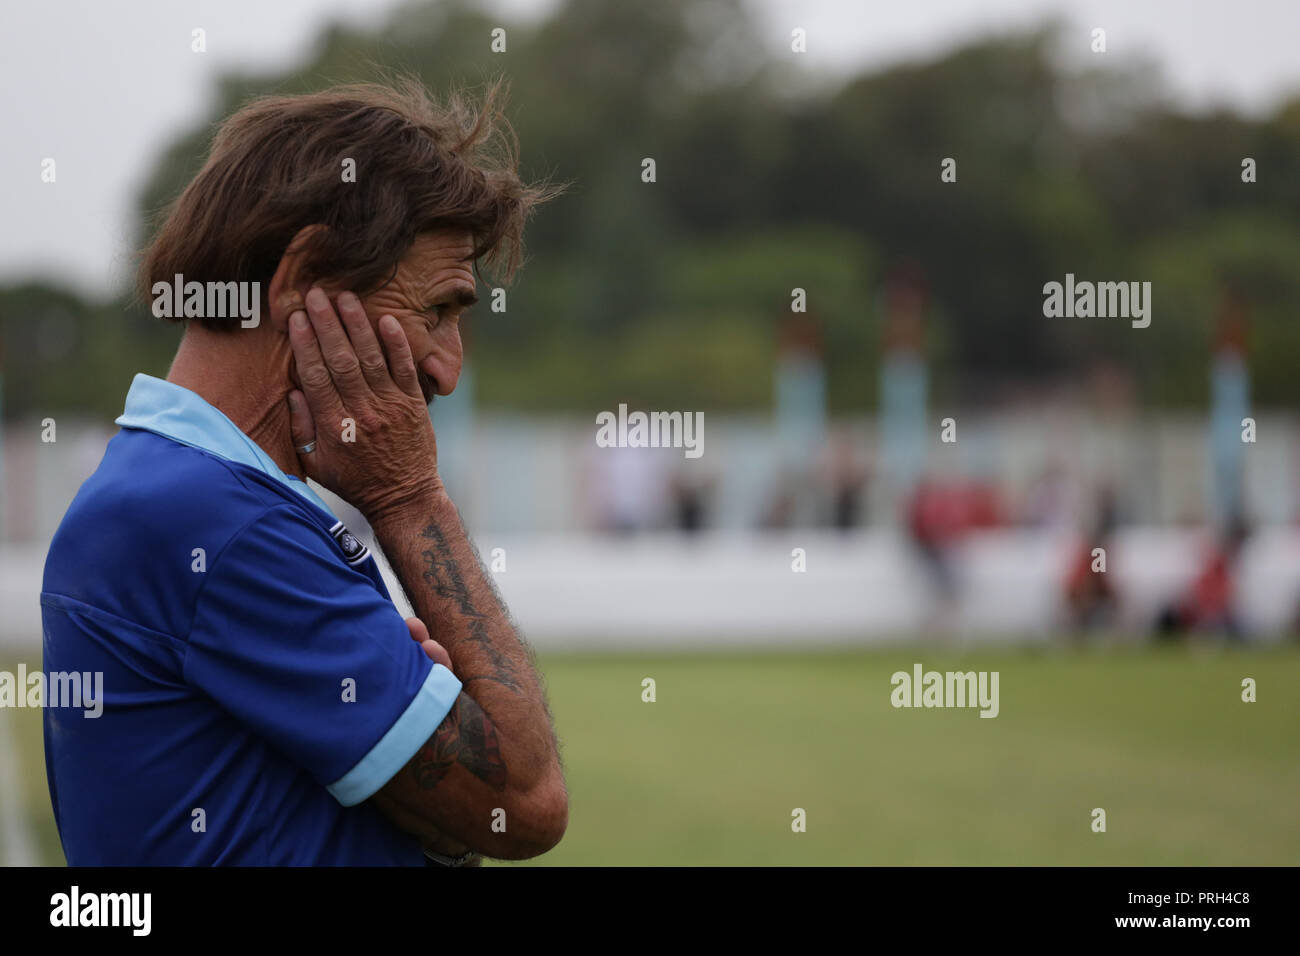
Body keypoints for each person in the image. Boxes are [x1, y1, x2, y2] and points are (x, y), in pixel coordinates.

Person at [41, 78, 567, 865]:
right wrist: (412, 498)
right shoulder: (214, 521)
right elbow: (524, 805)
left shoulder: (178, 489)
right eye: (440, 311)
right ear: (306, 276)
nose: (449, 369)